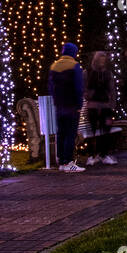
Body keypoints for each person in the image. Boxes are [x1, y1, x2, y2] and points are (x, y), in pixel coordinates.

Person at [47, 42, 86, 172]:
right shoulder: (74, 66)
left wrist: (56, 101)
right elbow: (78, 87)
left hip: (60, 106)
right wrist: (79, 104)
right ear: (74, 52)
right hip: (72, 105)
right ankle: (68, 162)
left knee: (61, 133)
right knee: (70, 133)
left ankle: (61, 161)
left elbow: (51, 87)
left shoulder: (54, 66)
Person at [84, 50, 119, 166]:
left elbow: (112, 90)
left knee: (106, 131)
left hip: (105, 106)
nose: (102, 63)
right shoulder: (88, 73)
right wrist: (87, 95)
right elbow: (83, 88)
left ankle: (103, 154)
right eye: (101, 60)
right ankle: (91, 155)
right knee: (92, 131)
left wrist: (112, 104)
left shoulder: (108, 74)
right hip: (93, 106)